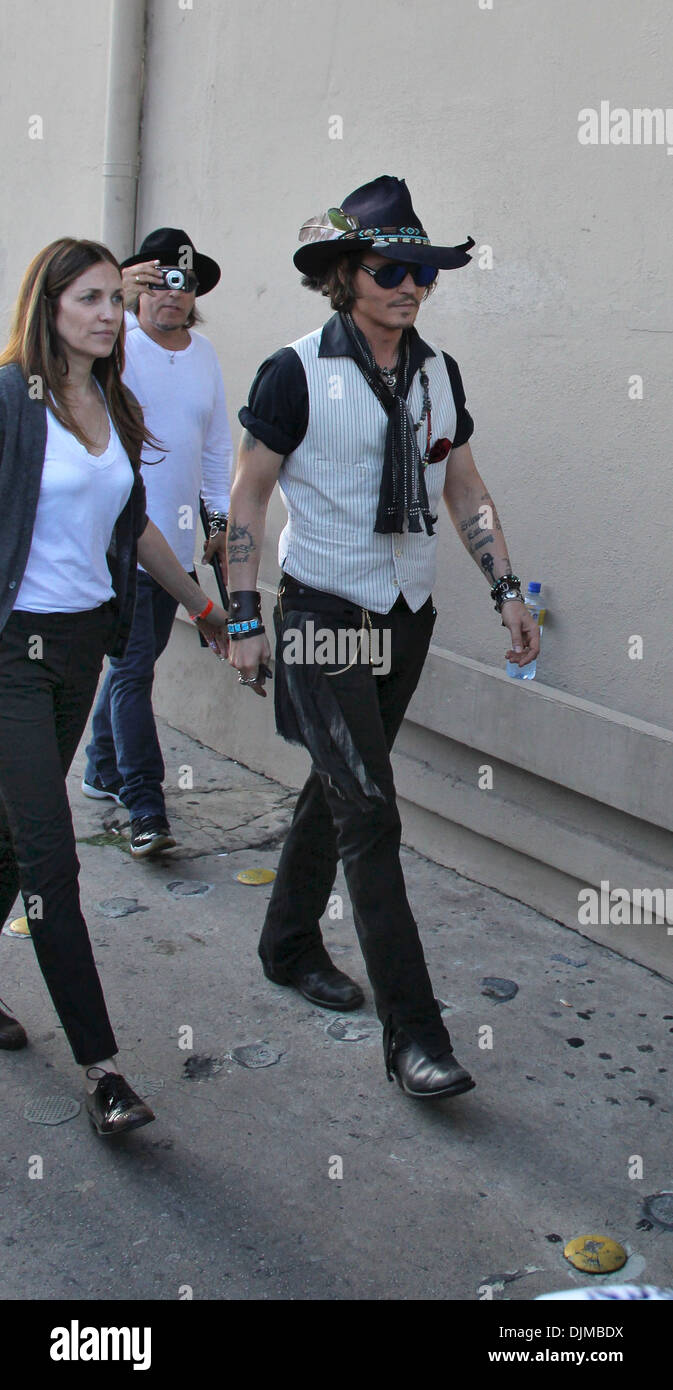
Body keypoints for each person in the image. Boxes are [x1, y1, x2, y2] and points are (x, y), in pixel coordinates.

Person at [228, 176, 539, 1101]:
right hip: (324, 613)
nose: (409, 287)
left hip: (406, 616)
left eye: (425, 274)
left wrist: (505, 588)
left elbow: (464, 489)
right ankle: (416, 1037)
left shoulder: (438, 374)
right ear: (343, 276)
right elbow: (247, 498)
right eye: (390, 270)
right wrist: (243, 615)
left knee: (340, 790)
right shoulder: (293, 370)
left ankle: (286, 943)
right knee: (372, 812)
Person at [0, 238, 228, 1135]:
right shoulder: (12, 402)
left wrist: (203, 611)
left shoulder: (113, 401)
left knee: (16, 844)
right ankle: (103, 1070)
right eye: (89, 298)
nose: (107, 313)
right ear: (47, 306)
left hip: (81, 650)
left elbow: (133, 527)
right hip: (12, 653)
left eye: (110, 299)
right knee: (52, 856)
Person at [83, 228, 232, 857]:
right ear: (137, 285)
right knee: (134, 667)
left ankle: (98, 765)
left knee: (129, 665)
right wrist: (114, 297)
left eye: (187, 281)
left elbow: (217, 447)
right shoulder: (112, 348)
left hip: (172, 544)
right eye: (161, 278)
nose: (175, 293)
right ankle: (145, 803)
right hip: (120, 540)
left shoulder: (203, 356)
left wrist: (221, 524)